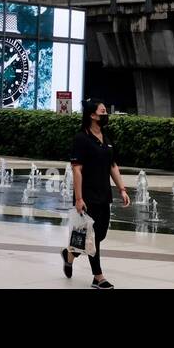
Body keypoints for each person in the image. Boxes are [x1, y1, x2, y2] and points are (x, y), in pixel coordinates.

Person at [61, 99, 129, 288]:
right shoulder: (81, 139)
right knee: (94, 237)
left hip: (104, 194)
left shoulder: (106, 138)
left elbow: (113, 166)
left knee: (99, 235)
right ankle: (98, 277)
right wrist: (79, 198)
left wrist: (122, 189)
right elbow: (77, 170)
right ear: (92, 115)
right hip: (87, 195)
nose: (105, 115)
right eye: (102, 112)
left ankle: (69, 254)